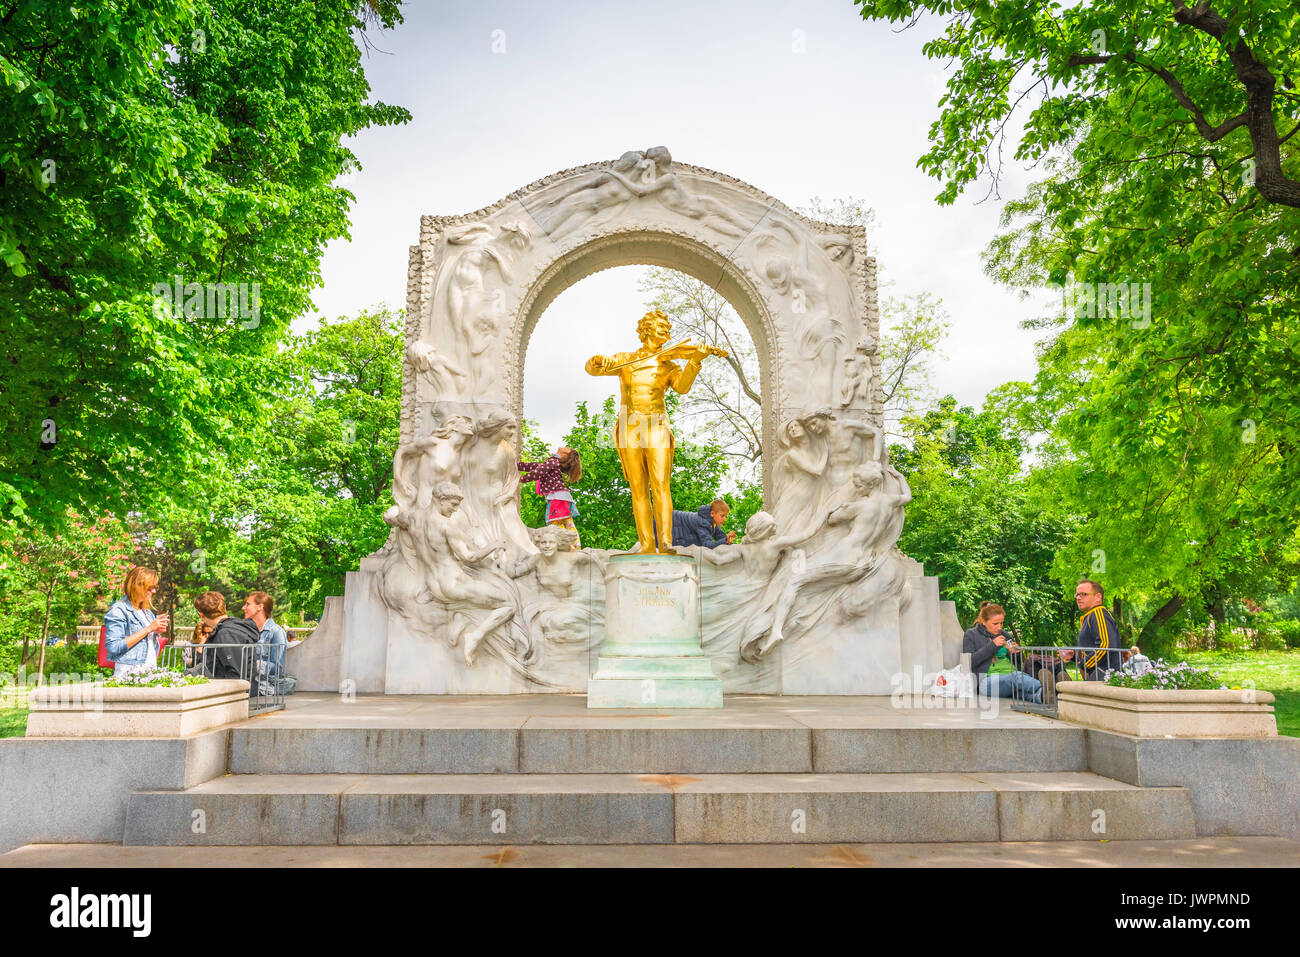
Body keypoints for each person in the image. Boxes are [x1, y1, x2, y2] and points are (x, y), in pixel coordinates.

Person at [962, 601, 1042, 703]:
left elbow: (1018, 661)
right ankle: (1051, 688)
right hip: (986, 681)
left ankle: (1044, 696)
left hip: (1012, 675)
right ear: (984, 621)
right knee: (1016, 677)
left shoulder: (1004, 634)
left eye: (1001, 623)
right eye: (995, 624)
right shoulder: (971, 634)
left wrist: (1016, 653)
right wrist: (992, 646)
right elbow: (969, 662)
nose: (999, 627)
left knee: (1024, 693)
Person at [104, 566, 168, 677]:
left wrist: (156, 631)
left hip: (149, 672)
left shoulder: (147, 613)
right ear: (136, 586)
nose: (154, 591)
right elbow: (113, 647)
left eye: (155, 587)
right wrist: (149, 629)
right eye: (150, 587)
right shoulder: (119, 610)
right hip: (128, 675)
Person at [518, 446, 583, 547]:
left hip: (557, 498)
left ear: (565, 454)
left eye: (568, 448)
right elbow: (535, 467)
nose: (567, 446)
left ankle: (571, 547)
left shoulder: (553, 461)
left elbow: (538, 472)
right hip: (560, 497)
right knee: (566, 523)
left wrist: (521, 479)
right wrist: (518, 466)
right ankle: (575, 546)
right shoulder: (553, 462)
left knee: (557, 524)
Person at [192, 591, 260, 682]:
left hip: (233, 693)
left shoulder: (226, 633)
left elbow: (236, 674)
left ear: (200, 614)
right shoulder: (228, 630)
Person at [1075, 579, 1122, 678]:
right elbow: (1089, 649)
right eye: (1077, 595)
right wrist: (1075, 655)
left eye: (1083, 594)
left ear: (1098, 597)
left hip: (1105, 676)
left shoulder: (1098, 613)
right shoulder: (1090, 616)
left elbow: (1105, 645)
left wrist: (1084, 664)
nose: (1078, 598)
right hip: (1096, 675)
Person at [242, 591, 286, 679]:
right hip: (245, 683)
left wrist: (254, 664)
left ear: (260, 607)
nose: (243, 608)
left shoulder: (276, 632)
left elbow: (278, 668)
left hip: (262, 686)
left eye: (248, 604)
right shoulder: (244, 630)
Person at [671, 499, 736, 548]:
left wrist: (728, 540)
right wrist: (725, 540)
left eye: (725, 516)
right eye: (722, 516)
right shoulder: (703, 523)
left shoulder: (712, 522)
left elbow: (721, 537)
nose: (724, 519)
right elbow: (707, 545)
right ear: (712, 513)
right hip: (672, 524)